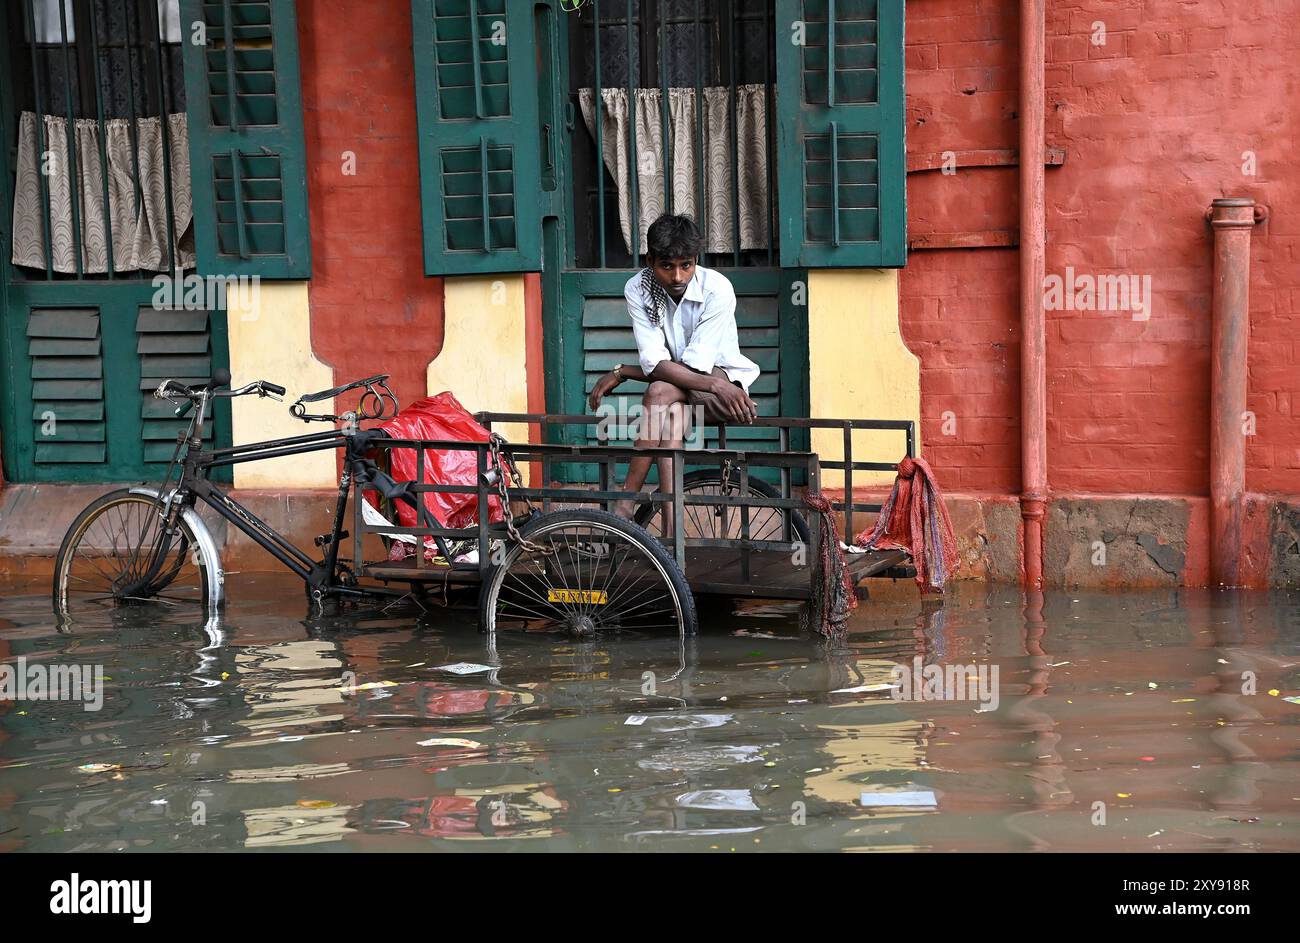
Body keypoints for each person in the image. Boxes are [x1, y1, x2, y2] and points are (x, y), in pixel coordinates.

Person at [587, 213, 759, 528]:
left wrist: (625, 371)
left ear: (696, 260)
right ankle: (671, 531)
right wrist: (629, 370)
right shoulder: (638, 288)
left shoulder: (716, 288)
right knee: (670, 417)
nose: (678, 277)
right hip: (685, 395)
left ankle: (624, 507)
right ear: (650, 260)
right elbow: (656, 362)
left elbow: (695, 366)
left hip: (726, 392)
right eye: (667, 266)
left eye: (686, 265)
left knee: (658, 391)